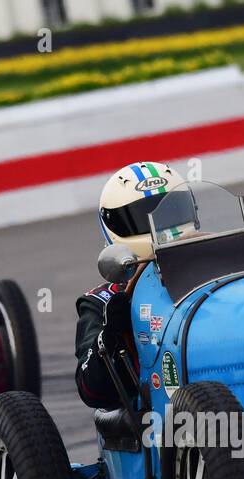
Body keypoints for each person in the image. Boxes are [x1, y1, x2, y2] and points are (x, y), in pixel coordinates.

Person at [74, 162, 183, 409]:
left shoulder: (218, 267)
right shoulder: (101, 302)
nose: (158, 226)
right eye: (143, 218)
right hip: (152, 417)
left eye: (168, 211)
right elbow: (90, 389)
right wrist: (112, 334)